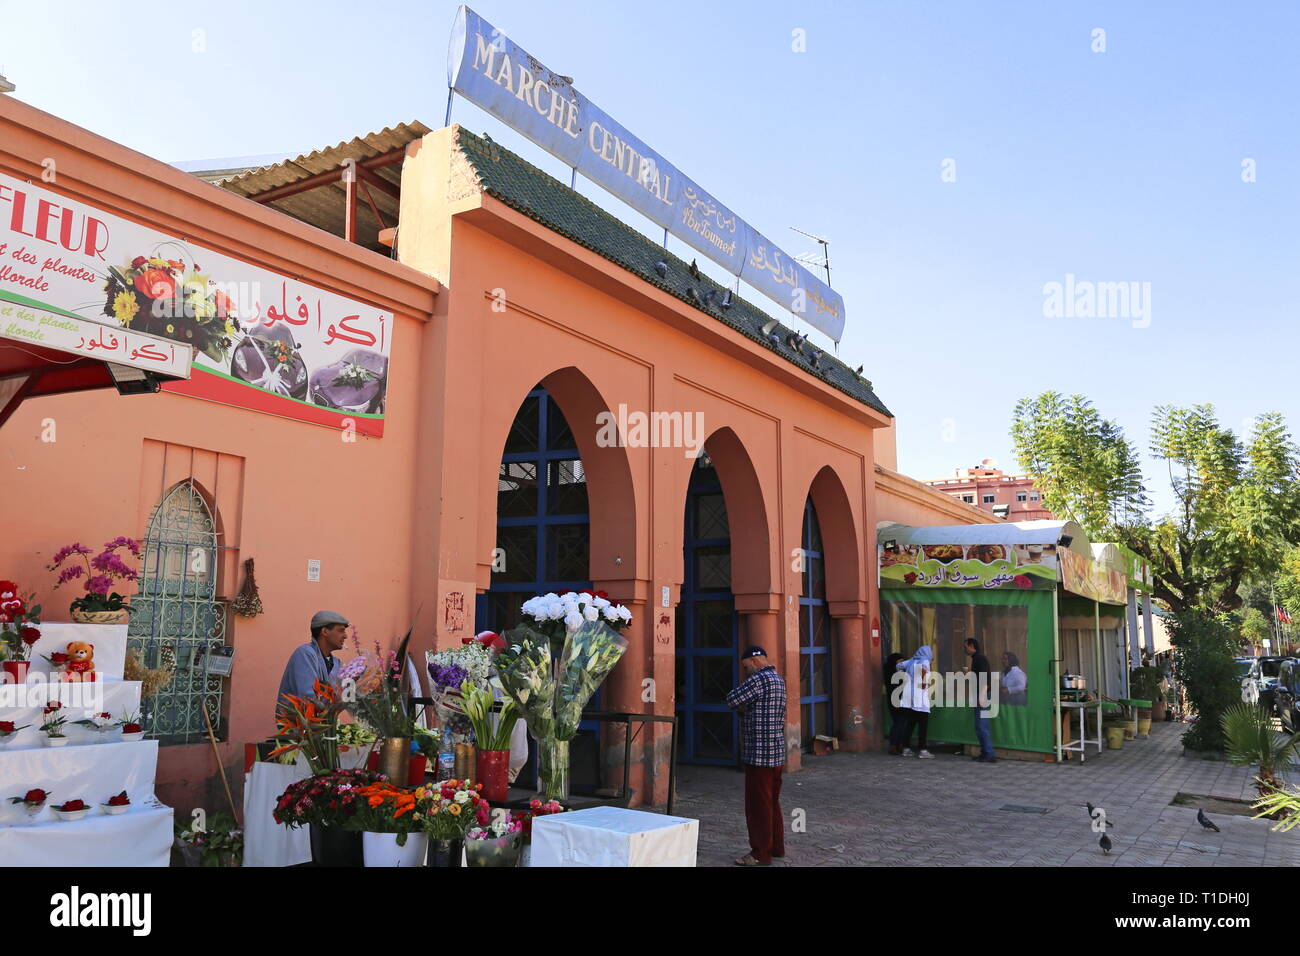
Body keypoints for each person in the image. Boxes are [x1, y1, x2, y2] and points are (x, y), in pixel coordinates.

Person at [724, 645, 787, 866]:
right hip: (776, 751)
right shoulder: (778, 679)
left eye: (746, 666)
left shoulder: (758, 680)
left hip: (759, 753)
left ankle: (760, 853)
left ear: (756, 661)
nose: (745, 671)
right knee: (772, 802)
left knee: (757, 805)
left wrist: (743, 706)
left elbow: (733, 699)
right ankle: (776, 847)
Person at [276, 610, 349, 716]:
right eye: (341, 631)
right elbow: (308, 698)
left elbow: (340, 696)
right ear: (324, 631)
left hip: (325, 728)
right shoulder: (305, 654)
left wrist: (357, 687)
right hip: (300, 728)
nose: (345, 636)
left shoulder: (337, 663)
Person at [896, 646, 934, 758]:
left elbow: (898, 666)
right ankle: (923, 750)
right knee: (923, 725)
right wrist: (923, 682)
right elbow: (924, 669)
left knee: (910, 724)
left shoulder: (912, 661)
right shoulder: (925, 660)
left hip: (908, 696)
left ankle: (906, 748)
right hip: (919, 697)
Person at [964, 638, 996, 762]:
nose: (965, 650)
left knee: (981, 726)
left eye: (966, 647)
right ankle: (986, 752)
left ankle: (989, 753)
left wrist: (981, 695)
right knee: (981, 726)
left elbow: (985, 679)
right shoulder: (977, 659)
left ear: (972, 646)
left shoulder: (979, 658)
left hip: (982, 694)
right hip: (982, 694)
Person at [884, 652, 906, 755]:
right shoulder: (890, 672)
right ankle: (894, 745)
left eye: (903, 661)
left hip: (900, 700)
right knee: (899, 722)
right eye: (899, 661)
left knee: (901, 723)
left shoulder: (898, 671)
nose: (902, 663)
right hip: (896, 700)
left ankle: (899, 744)